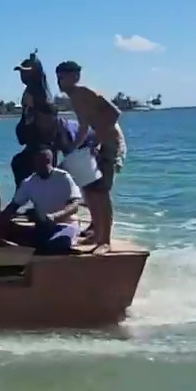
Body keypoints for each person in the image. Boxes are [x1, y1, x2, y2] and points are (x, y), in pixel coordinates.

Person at [55, 60, 125, 254]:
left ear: (75, 77)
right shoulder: (74, 98)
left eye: (63, 77)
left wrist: (103, 139)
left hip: (112, 145)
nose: (59, 81)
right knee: (91, 190)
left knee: (101, 193)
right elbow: (84, 128)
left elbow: (114, 113)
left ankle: (105, 241)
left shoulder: (83, 92)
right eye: (58, 77)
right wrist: (72, 148)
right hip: (99, 145)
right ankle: (97, 233)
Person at [0, 147, 83, 254]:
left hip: (65, 224)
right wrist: (0, 219)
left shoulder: (63, 177)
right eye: (35, 162)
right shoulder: (29, 182)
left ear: (49, 161)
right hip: (44, 227)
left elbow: (75, 205)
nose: (37, 165)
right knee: (11, 234)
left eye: (41, 162)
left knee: (57, 243)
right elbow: (14, 205)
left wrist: (55, 216)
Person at [11, 51, 60, 188]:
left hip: (44, 146)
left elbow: (46, 118)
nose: (23, 76)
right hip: (33, 144)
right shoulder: (30, 90)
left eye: (25, 72)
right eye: (21, 73)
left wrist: (35, 62)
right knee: (19, 164)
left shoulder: (40, 90)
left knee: (39, 172)